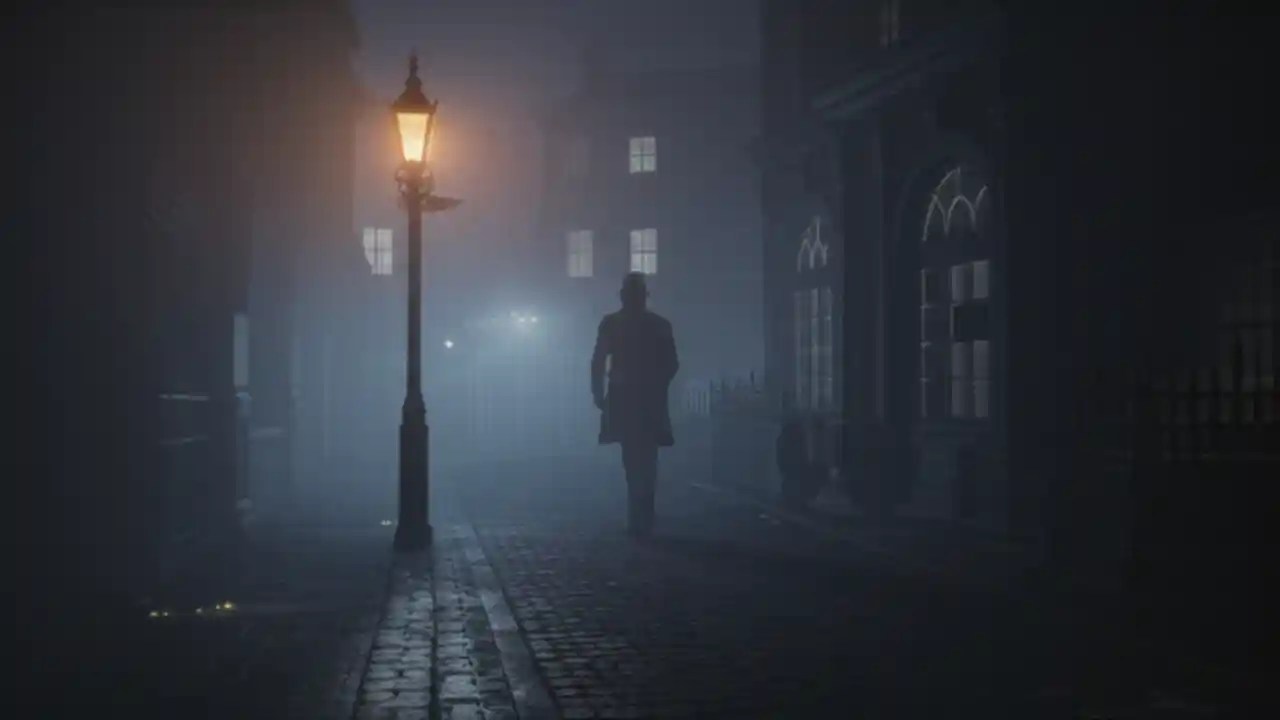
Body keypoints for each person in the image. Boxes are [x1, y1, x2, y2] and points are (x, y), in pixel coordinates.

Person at [591, 272, 679, 537]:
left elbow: (598, 360)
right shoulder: (660, 325)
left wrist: (598, 392)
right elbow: (672, 364)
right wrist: (658, 383)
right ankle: (644, 512)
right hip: (649, 399)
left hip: (623, 397)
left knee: (632, 457)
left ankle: (638, 513)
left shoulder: (611, 324)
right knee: (647, 458)